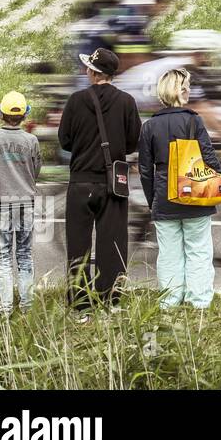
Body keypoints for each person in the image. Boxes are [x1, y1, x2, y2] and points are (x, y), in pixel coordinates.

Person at [58, 47, 142, 318]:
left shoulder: (75, 100)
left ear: (93, 72)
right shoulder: (127, 102)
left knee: (78, 244)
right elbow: (133, 142)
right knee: (113, 242)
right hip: (112, 182)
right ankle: (111, 300)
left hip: (81, 180)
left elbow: (65, 141)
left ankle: (81, 306)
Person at [137, 67, 221, 309]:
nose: (189, 91)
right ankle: (199, 301)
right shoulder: (193, 120)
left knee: (169, 254)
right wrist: (220, 177)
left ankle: (170, 300)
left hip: (164, 199)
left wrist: (152, 201)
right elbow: (208, 157)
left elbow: (145, 170)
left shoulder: (149, 126)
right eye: (186, 86)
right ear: (180, 91)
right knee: (198, 250)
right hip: (194, 196)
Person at [0, 91, 42, 315]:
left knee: (3, 255)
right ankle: (26, 305)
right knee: (24, 253)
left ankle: (5, 307)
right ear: (24, 115)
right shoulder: (31, 140)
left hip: (2, 204)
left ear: (1, 115)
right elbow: (35, 172)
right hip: (26, 202)